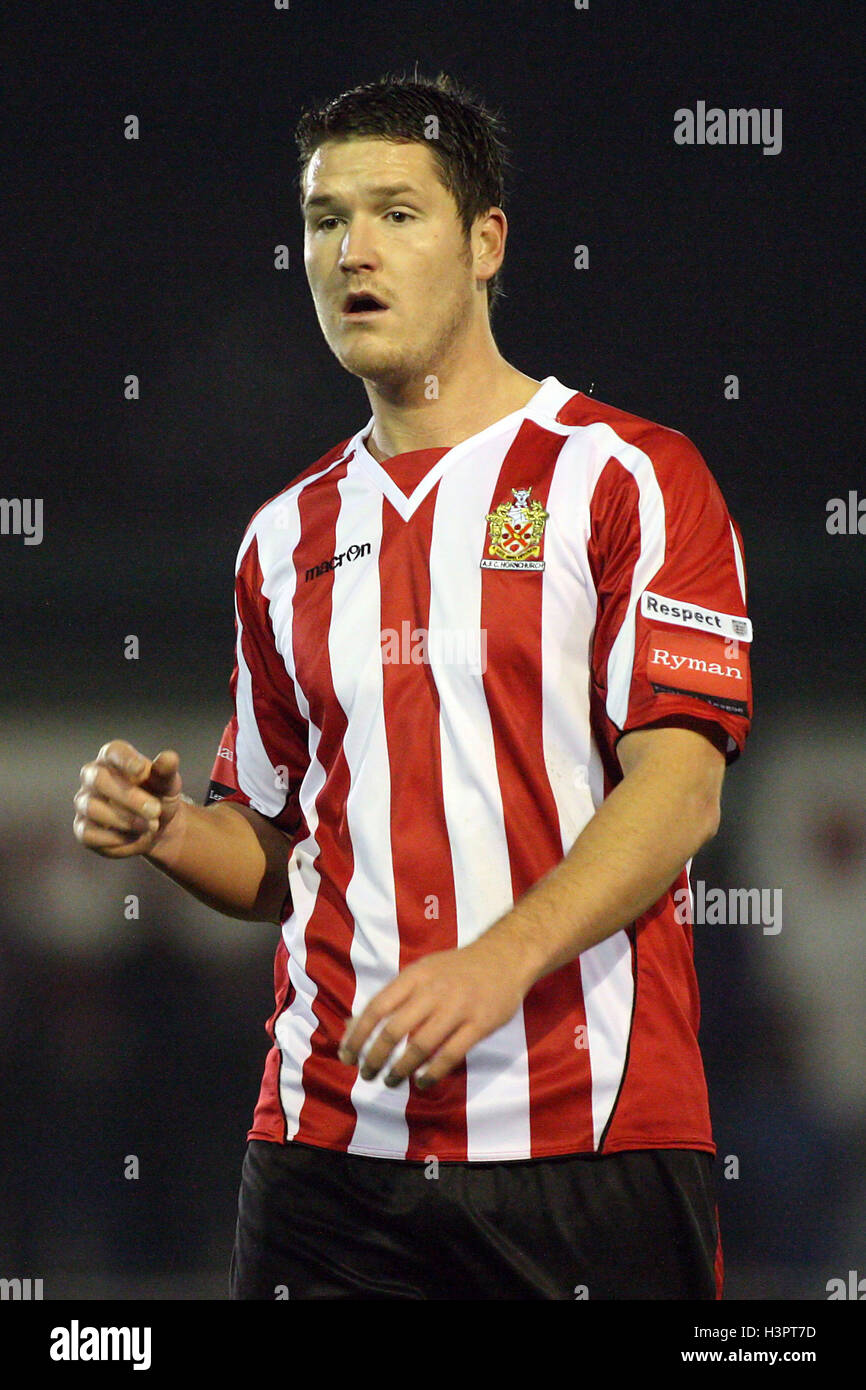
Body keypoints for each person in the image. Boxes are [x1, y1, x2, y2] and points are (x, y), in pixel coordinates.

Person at [72, 73, 753, 1300]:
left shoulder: (627, 477)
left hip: (585, 1141)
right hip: (326, 1156)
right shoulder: (281, 536)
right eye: (325, 220)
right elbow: (281, 850)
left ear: (486, 242)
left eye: (395, 212)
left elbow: (680, 792)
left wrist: (496, 960)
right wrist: (176, 833)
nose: (353, 252)